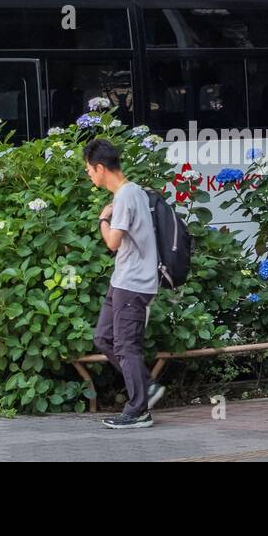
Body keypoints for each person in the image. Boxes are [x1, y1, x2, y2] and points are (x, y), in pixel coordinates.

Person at [84, 138, 165, 428]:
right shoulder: (133, 193)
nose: (89, 176)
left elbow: (113, 242)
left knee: (126, 345)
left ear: (100, 168)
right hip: (122, 281)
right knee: (104, 338)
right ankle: (146, 387)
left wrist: (102, 219)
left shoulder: (126, 196)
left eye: (89, 170)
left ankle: (138, 410)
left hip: (133, 283)